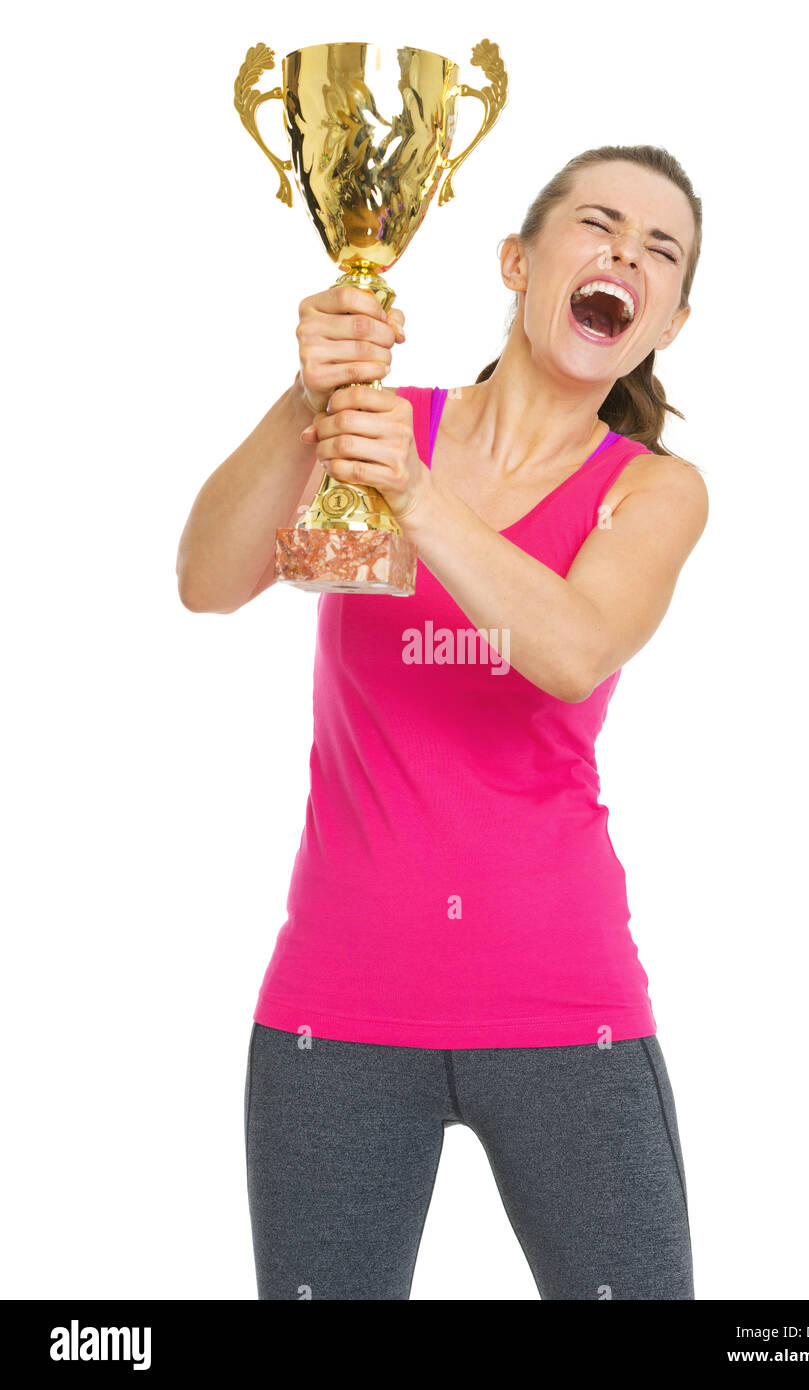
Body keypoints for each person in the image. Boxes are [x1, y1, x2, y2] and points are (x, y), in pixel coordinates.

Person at [177, 143, 708, 1300]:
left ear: (666, 318)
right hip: (336, 1011)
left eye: (661, 249)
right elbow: (208, 578)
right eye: (600, 224)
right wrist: (307, 399)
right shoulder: (377, 425)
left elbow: (570, 649)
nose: (627, 251)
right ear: (518, 264)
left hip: (568, 1009)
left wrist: (420, 495)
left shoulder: (652, 488)